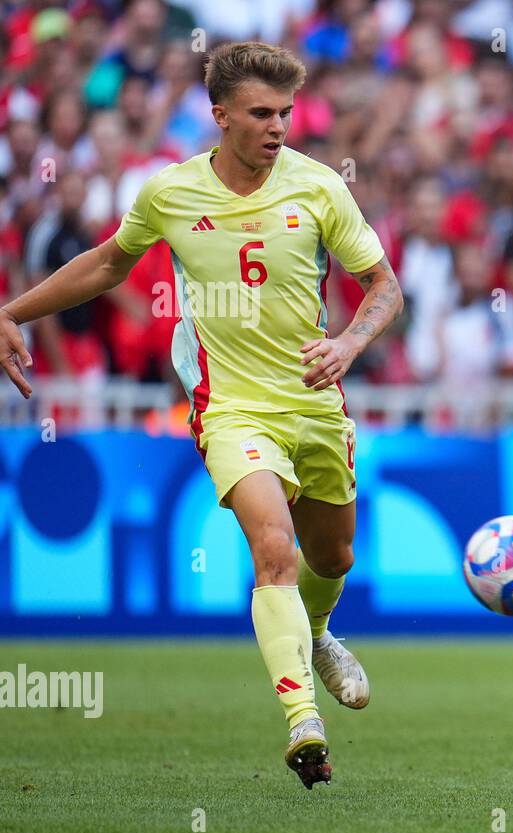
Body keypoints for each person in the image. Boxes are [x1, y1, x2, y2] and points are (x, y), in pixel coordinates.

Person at [0, 41, 405, 790]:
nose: (277, 126)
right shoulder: (172, 194)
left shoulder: (318, 188)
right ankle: (302, 724)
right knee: (273, 550)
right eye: (260, 113)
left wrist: (350, 341)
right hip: (231, 408)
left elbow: (383, 285)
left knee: (334, 556)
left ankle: (315, 631)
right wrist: (11, 312)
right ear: (220, 116)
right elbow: (105, 264)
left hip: (314, 398)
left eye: (284, 112)